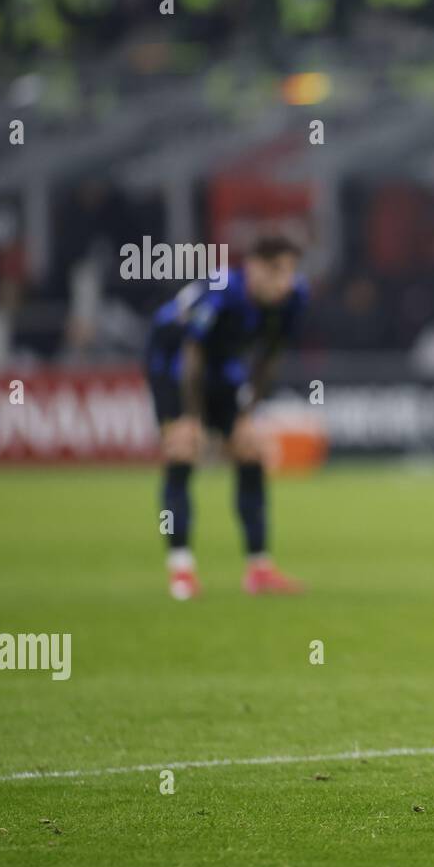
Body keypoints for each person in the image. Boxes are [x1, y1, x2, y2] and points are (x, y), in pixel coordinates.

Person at [145, 235, 309, 599]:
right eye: (274, 271)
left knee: (250, 449)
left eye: (289, 271)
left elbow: (270, 355)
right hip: (173, 367)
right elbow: (191, 354)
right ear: (251, 267)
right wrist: (189, 417)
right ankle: (182, 570)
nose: (283, 281)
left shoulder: (294, 297)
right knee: (183, 449)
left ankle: (259, 570)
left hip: (223, 370)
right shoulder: (221, 290)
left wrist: (248, 414)